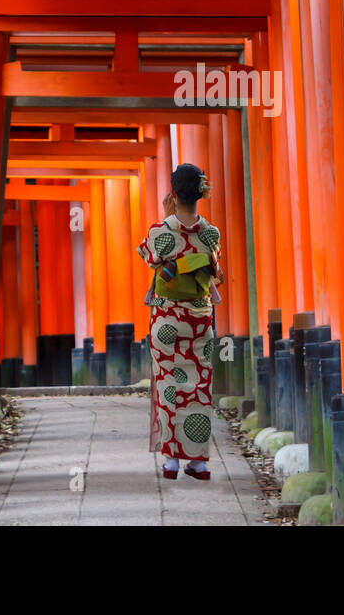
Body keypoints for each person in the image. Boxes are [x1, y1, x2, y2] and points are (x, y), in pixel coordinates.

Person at [136, 162, 223, 481]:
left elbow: (148, 257)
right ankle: (198, 462)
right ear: (202, 193)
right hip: (200, 319)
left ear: (173, 194)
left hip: (167, 319)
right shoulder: (211, 234)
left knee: (169, 384)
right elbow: (217, 271)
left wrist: (165, 214)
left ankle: (171, 460)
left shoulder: (161, 231)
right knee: (200, 387)